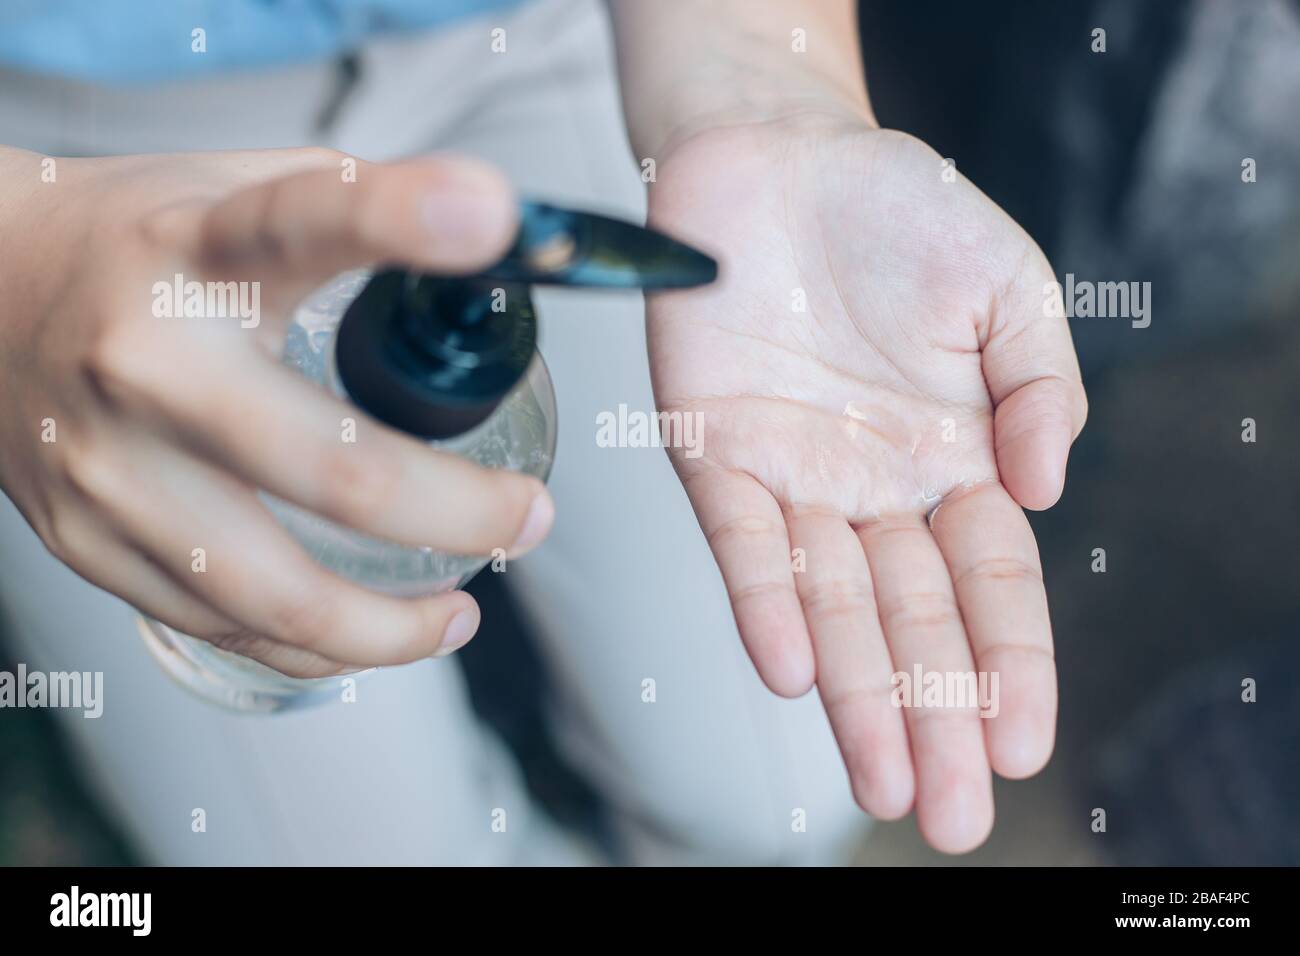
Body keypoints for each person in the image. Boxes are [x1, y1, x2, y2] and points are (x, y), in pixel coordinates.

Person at [0, 0, 1086, 864]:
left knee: (775, 800)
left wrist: (769, 78)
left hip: (553, 43)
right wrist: (23, 269)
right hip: (71, 142)